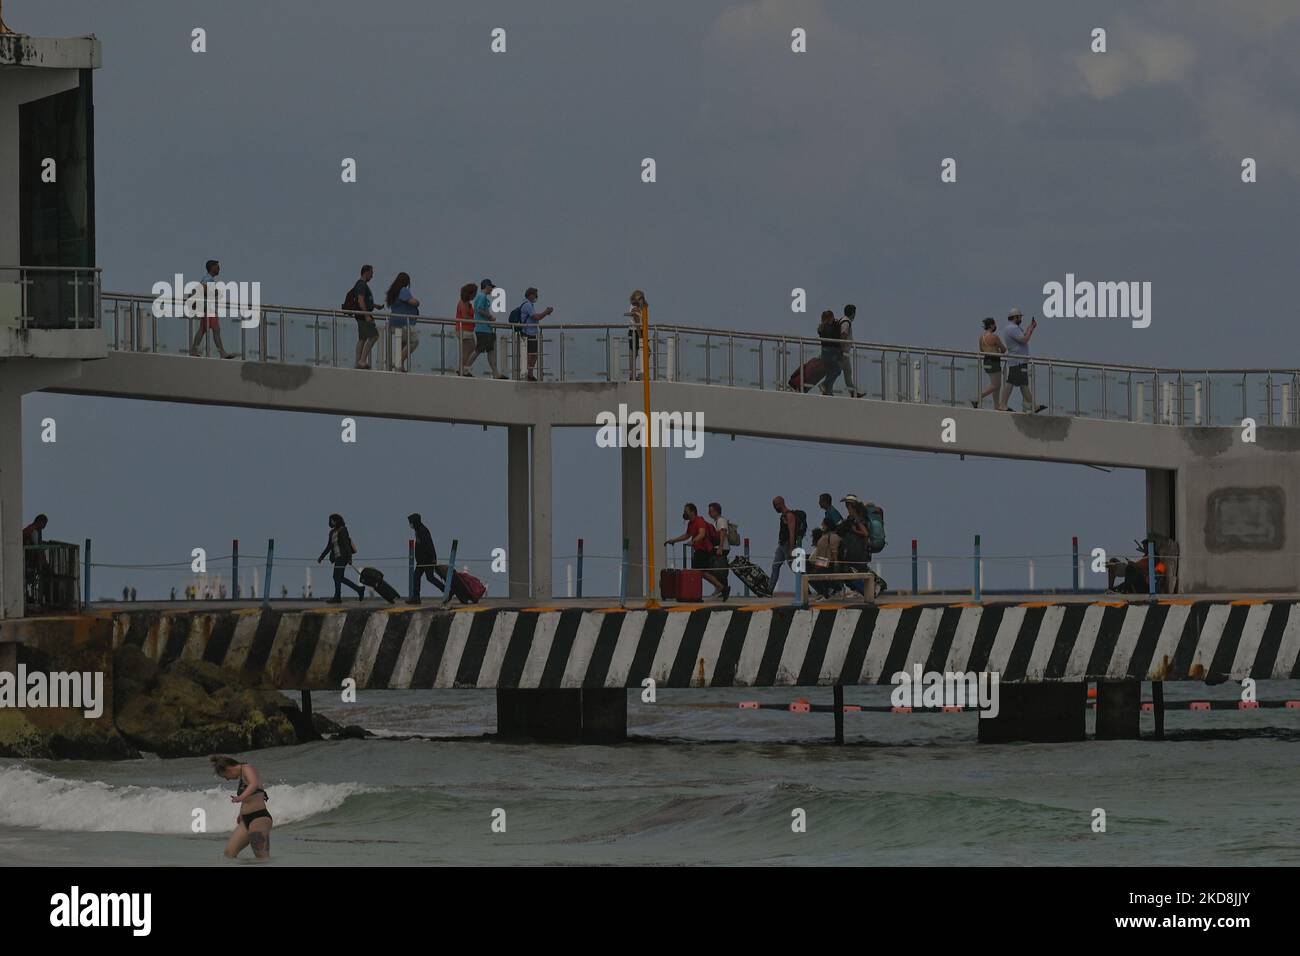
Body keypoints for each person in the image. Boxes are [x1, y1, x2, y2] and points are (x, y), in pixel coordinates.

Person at [211, 755, 272, 860]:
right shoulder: (242, 777)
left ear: (228, 769)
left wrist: (240, 797)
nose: (227, 779)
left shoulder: (247, 768)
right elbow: (249, 799)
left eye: (225, 776)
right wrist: (241, 813)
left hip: (259, 817)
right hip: (246, 820)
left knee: (262, 857)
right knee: (229, 853)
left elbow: (254, 784)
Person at [665, 503, 729, 600]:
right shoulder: (691, 523)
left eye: (686, 511)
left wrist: (693, 541)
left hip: (705, 549)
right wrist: (673, 540)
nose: (684, 513)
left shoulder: (699, 521)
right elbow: (687, 535)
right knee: (701, 571)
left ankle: (720, 588)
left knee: (700, 571)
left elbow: (702, 534)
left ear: (692, 512)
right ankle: (721, 588)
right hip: (699, 550)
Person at [999, 309, 1047, 413]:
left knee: (1021, 384)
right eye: (1020, 317)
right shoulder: (1012, 328)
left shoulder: (1013, 328)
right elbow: (1024, 339)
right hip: (1018, 361)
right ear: (1015, 317)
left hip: (1018, 361)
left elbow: (1024, 335)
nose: (1021, 319)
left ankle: (1034, 406)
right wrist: (1030, 330)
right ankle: (1003, 405)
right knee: (1014, 383)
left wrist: (1031, 328)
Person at [189, 259, 236, 358]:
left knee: (202, 330)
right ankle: (222, 353)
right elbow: (203, 290)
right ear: (212, 268)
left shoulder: (207, 278)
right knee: (216, 330)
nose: (219, 269)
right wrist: (216, 292)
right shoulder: (208, 279)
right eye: (217, 267)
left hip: (205, 308)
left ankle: (194, 350)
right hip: (208, 309)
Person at [317, 513, 365, 602]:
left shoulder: (343, 530)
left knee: (336, 576)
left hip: (343, 557)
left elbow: (346, 545)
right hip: (337, 557)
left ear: (335, 521)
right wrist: (321, 557)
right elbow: (329, 546)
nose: (329, 522)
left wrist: (349, 558)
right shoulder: (332, 532)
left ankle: (337, 597)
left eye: (331, 520)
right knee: (339, 577)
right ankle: (358, 590)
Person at [467, 278, 506, 378]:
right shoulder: (482, 297)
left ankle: (495, 372)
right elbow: (479, 309)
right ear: (487, 286)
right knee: (479, 350)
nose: (492, 289)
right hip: (482, 328)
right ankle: (465, 368)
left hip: (487, 329)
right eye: (491, 287)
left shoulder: (483, 297)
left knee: (490, 350)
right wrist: (490, 317)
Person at [347, 264, 382, 370]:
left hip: (361, 314)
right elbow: (360, 300)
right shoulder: (361, 285)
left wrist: (375, 305)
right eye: (371, 273)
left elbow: (364, 300)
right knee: (374, 336)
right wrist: (367, 315)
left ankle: (358, 361)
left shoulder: (360, 284)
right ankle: (362, 360)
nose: (372, 276)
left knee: (362, 338)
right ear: (366, 272)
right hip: (363, 315)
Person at [384, 273, 420, 372]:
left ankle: (400, 365)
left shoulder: (394, 291)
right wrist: (417, 302)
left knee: (402, 344)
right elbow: (412, 302)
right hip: (404, 322)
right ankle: (398, 362)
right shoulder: (403, 290)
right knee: (414, 341)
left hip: (395, 322)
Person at [837, 496, 872, 596]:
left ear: (851, 506)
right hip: (854, 549)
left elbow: (865, 533)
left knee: (851, 571)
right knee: (853, 571)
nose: (846, 507)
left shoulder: (857, 518)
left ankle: (865, 592)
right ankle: (862, 591)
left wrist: (854, 530)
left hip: (858, 550)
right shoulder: (853, 517)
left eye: (847, 505)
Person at [517, 287, 553, 381]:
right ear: (531, 295)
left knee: (533, 354)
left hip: (530, 332)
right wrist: (546, 312)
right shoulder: (527, 305)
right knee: (530, 354)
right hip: (528, 333)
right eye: (535, 295)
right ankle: (527, 374)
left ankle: (529, 373)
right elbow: (536, 317)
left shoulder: (528, 304)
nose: (536, 297)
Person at [408, 512, 445, 601]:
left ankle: (446, 590)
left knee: (429, 577)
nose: (410, 525)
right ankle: (416, 598)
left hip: (427, 560)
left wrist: (432, 559)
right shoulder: (418, 530)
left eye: (411, 522)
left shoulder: (422, 531)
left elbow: (429, 546)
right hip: (421, 561)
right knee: (417, 577)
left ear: (415, 522)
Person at [770, 496, 803, 591]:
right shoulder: (783, 516)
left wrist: (791, 548)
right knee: (775, 566)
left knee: (795, 568)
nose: (775, 508)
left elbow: (791, 533)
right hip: (782, 545)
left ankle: (806, 588)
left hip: (788, 545)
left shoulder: (789, 515)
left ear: (780, 504)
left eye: (775, 505)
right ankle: (770, 589)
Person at [972, 317, 1006, 408]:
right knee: (995, 385)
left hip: (986, 361)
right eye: (994, 324)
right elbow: (1003, 349)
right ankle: (977, 398)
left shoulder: (981, 338)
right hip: (994, 362)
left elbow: (981, 350)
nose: (995, 326)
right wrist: (996, 350)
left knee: (996, 385)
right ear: (991, 325)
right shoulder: (994, 337)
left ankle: (996, 405)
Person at [810, 520, 842, 598]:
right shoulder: (826, 536)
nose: (821, 525)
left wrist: (836, 563)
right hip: (825, 561)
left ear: (827, 526)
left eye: (823, 524)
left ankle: (827, 593)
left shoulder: (831, 537)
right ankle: (826, 593)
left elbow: (833, 551)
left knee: (816, 575)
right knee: (814, 575)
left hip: (829, 562)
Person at [839, 304, 864, 398]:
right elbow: (843, 335)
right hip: (843, 353)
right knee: (836, 372)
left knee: (847, 373)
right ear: (852, 313)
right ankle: (826, 385)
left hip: (844, 352)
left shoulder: (844, 320)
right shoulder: (846, 322)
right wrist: (842, 350)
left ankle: (853, 392)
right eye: (854, 313)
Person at [817, 309, 842, 395]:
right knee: (837, 370)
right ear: (829, 318)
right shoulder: (829, 327)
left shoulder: (821, 327)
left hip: (825, 353)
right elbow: (836, 338)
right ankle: (824, 384)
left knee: (831, 372)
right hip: (831, 353)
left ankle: (828, 391)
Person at [624, 290, 648, 380]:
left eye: (641, 298)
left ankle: (638, 373)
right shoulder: (634, 308)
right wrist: (641, 337)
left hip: (641, 331)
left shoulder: (642, 307)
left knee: (642, 352)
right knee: (635, 353)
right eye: (639, 298)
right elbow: (637, 323)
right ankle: (634, 375)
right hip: (635, 332)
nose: (641, 300)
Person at [708, 501, 733, 582]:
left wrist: (720, 547)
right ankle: (721, 588)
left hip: (722, 548)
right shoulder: (716, 521)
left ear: (716, 511)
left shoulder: (721, 520)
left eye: (710, 511)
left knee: (719, 569)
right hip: (719, 548)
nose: (709, 513)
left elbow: (722, 532)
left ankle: (722, 588)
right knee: (718, 568)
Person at [456, 282, 477, 375]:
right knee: (467, 349)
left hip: (468, 329)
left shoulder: (468, 303)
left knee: (471, 347)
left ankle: (464, 368)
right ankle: (462, 369)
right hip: (463, 329)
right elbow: (464, 316)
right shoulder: (463, 302)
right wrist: (474, 320)